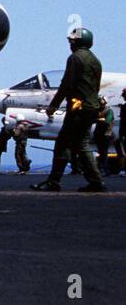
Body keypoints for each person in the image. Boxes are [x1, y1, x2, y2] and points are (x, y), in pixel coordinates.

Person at [32, 27, 105, 192]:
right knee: (82, 144)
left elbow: (67, 84)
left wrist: (54, 105)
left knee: (63, 144)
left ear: (78, 42)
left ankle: (54, 182)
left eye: (72, 41)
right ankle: (96, 182)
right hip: (91, 107)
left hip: (78, 107)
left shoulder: (75, 58)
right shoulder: (96, 60)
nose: (70, 44)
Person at [93, 96, 115, 176]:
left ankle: (104, 169)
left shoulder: (109, 111)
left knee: (104, 152)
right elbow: (92, 119)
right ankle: (102, 169)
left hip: (107, 134)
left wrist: (100, 120)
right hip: (99, 134)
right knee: (101, 152)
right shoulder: (97, 111)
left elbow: (107, 121)